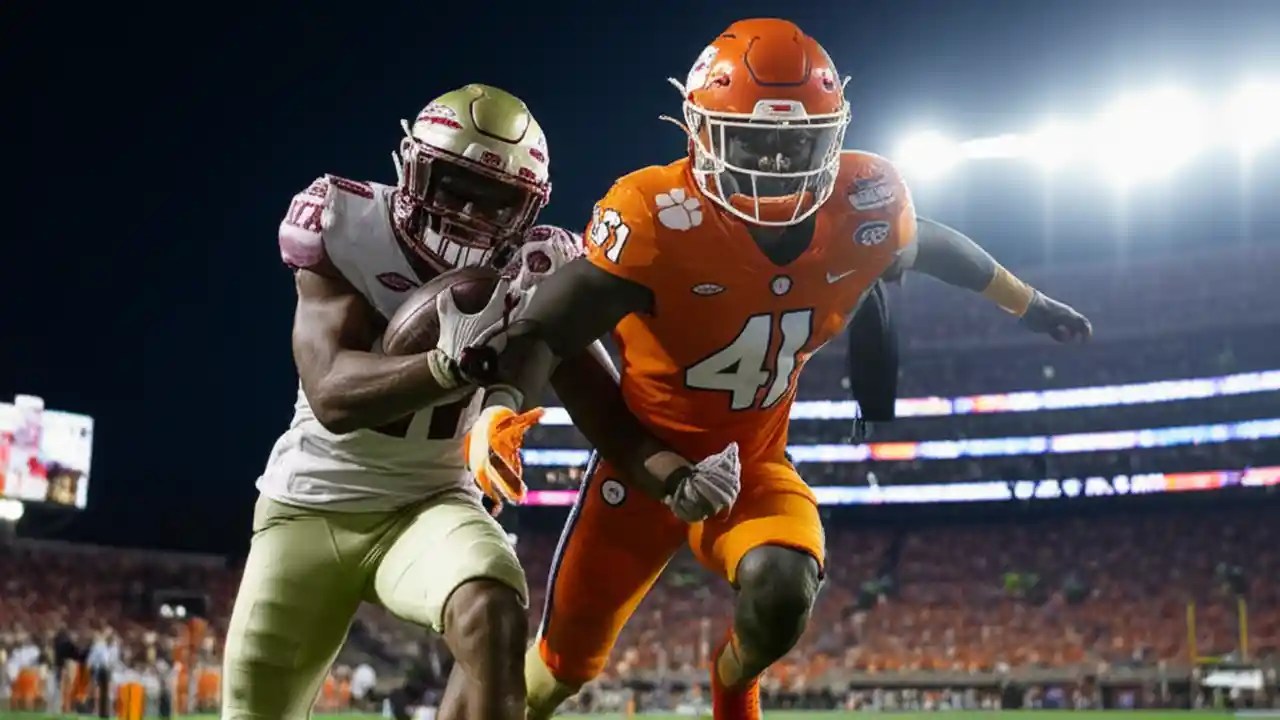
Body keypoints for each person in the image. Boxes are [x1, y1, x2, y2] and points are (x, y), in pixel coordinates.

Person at [454, 19, 1093, 720]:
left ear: (834, 135)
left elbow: (931, 246)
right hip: (636, 473)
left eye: (798, 141)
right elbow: (551, 320)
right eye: (754, 139)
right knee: (555, 675)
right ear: (699, 133)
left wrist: (1027, 303)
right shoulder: (656, 215)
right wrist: (497, 406)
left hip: (751, 464)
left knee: (784, 588)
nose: (777, 162)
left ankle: (733, 683)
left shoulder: (865, 202)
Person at [221, 83, 737, 720]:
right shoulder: (346, 223)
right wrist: (444, 367)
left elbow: (603, 412)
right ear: (413, 170)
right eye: (453, 186)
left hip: (431, 500)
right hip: (313, 503)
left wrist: (676, 477)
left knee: (492, 608)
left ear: (527, 211)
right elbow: (332, 394)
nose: (468, 212)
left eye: (497, 202)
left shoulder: (536, 268)